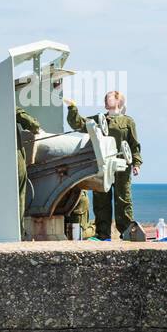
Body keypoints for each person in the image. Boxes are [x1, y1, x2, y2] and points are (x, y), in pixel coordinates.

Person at [65, 90, 141, 239]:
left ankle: (126, 233)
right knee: (101, 201)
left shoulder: (128, 122)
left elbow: (133, 144)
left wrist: (136, 163)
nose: (105, 101)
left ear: (118, 102)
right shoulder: (99, 119)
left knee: (123, 200)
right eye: (105, 99)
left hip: (122, 167)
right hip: (102, 166)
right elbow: (79, 124)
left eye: (109, 99)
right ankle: (103, 234)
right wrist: (72, 108)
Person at [15, 107, 42, 220]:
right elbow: (33, 125)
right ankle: (19, 232)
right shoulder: (8, 103)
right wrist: (37, 128)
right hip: (15, 160)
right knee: (19, 197)